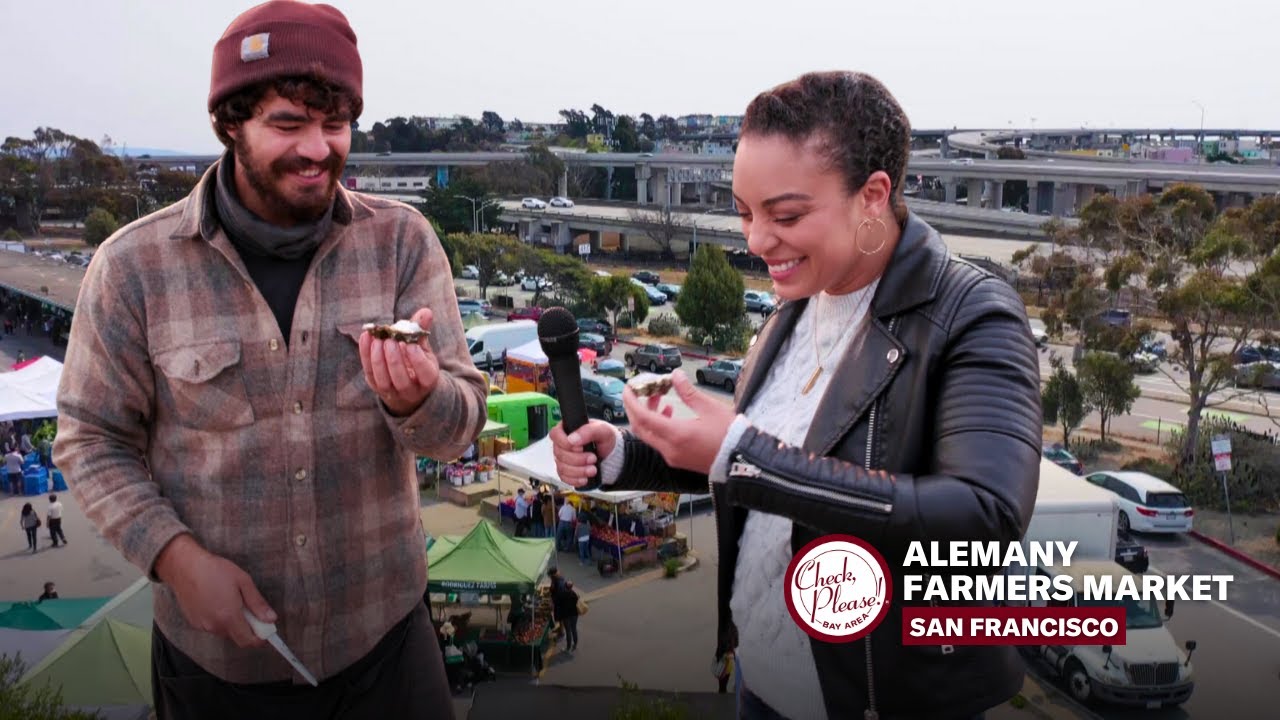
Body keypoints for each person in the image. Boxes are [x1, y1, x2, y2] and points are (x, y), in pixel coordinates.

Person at [549, 71, 1041, 720]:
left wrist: (740, 450)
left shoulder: (970, 313)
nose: (755, 241)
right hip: (765, 683)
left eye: (785, 215)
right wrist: (623, 454)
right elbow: (750, 469)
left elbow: (984, 516)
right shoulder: (794, 308)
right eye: (745, 213)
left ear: (872, 196)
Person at [52, 3, 487, 718]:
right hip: (217, 669)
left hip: (386, 650)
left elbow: (458, 426)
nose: (318, 148)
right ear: (230, 123)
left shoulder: (402, 242)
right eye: (288, 124)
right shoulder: (132, 267)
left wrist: (420, 400)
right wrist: (176, 560)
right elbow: (90, 438)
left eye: (337, 124)